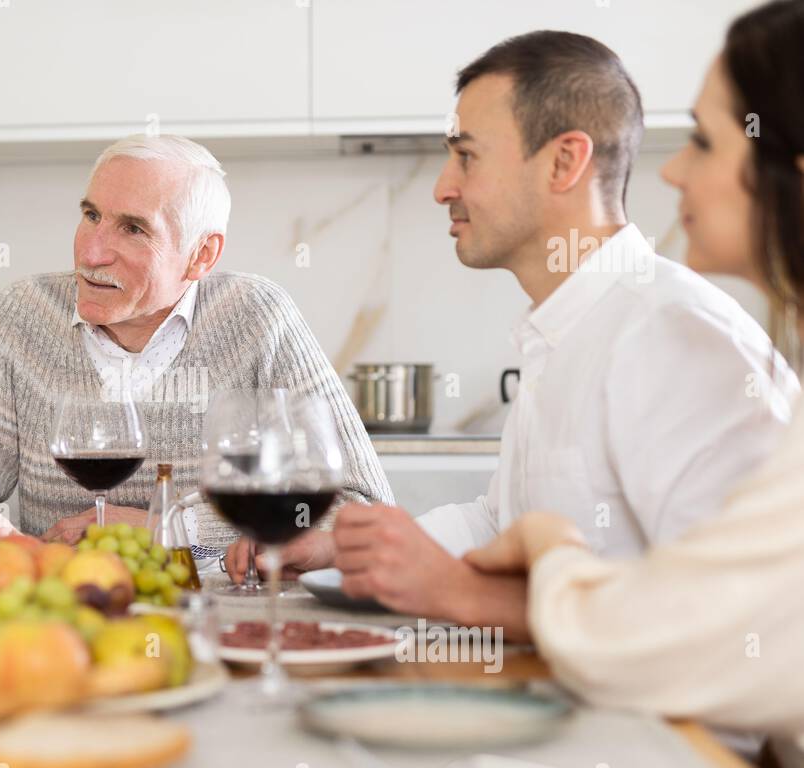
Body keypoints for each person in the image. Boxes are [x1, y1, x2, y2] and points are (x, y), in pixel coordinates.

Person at [227, 30, 796, 641]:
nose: (443, 187)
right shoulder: (566, 327)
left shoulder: (672, 333)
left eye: (466, 156)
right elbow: (501, 523)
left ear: (563, 162)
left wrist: (460, 592)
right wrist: (340, 547)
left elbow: (730, 615)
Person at [465, 0, 804, 767]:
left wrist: (551, 551)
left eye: (707, 141)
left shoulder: (672, 329)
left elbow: (695, 645)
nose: (674, 169)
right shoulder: (562, 329)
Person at [0, 134, 393, 547]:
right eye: (91, 216)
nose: (91, 254)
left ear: (202, 255)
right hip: (66, 615)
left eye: (134, 229)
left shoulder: (256, 317)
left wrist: (170, 526)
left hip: (227, 615)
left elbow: (365, 511)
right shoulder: (20, 314)